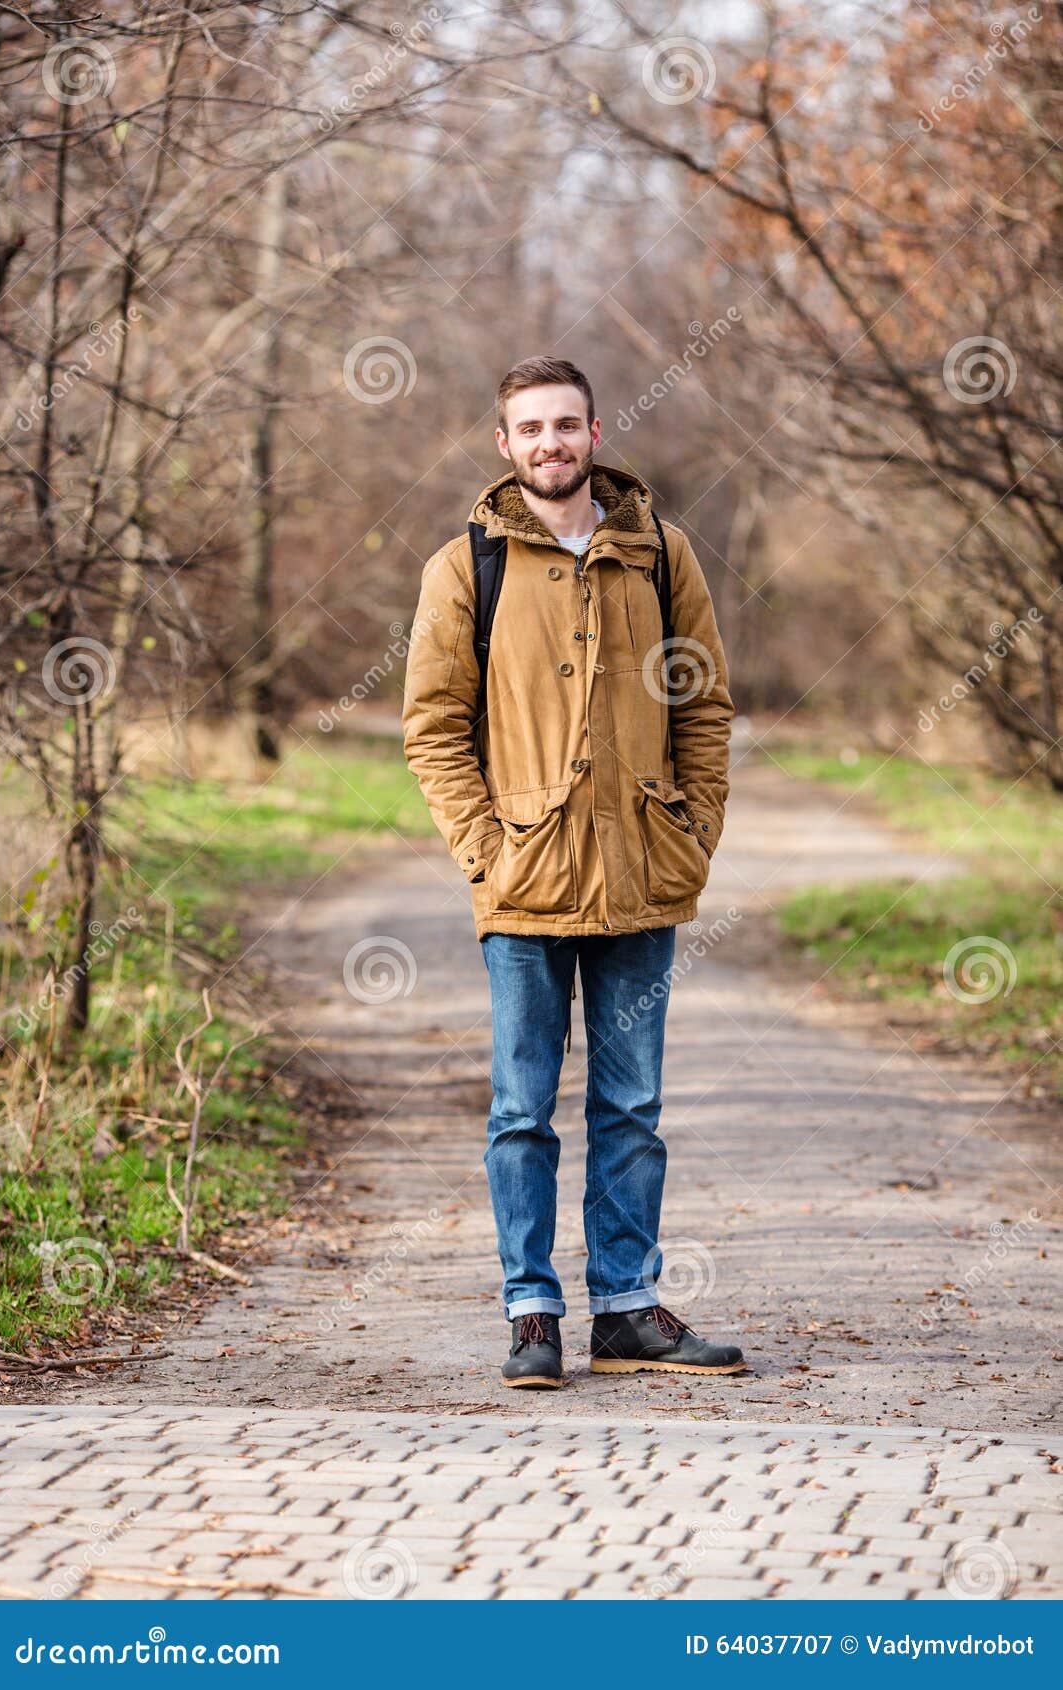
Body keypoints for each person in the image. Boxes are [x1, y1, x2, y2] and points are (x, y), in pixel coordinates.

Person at [402, 355, 745, 1389]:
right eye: (529, 429)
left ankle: (630, 1310)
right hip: (522, 884)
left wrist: (689, 832)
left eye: (566, 424)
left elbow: (705, 706)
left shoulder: (658, 551)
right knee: (519, 1108)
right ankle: (532, 1312)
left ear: (596, 433)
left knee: (631, 1107)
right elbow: (430, 729)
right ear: (504, 446)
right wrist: (484, 847)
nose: (549, 443)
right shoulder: (467, 565)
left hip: (642, 873)